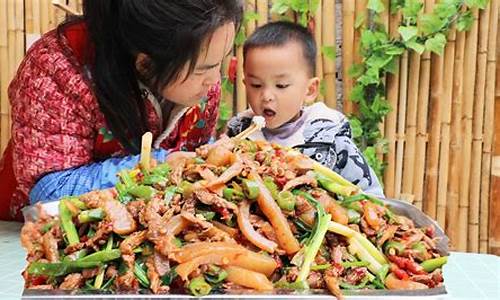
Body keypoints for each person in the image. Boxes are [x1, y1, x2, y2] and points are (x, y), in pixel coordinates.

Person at [0, 0, 243, 221]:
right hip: (24, 241)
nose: (214, 80)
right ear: (145, 63)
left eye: (219, 61)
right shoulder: (58, 67)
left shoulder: (203, 81)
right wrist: (159, 165)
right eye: (203, 69)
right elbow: (50, 191)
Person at [227, 21, 384, 198]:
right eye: (256, 85)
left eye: (281, 85)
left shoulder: (331, 141)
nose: (266, 96)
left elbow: (372, 196)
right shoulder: (237, 136)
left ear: (309, 90)